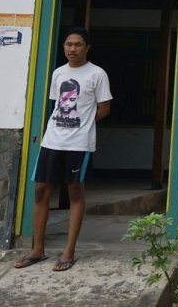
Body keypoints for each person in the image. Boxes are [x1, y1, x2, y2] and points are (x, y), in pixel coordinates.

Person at [14, 26, 112, 272]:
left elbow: (104, 109)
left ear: (87, 48)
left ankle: (69, 250)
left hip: (79, 144)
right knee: (40, 190)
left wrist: (83, 124)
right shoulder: (58, 73)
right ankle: (38, 249)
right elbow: (56, 105)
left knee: (75, 193)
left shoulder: (97, 74)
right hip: (52, 141)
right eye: (68, 44)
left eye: (78, 44)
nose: (72, 49)